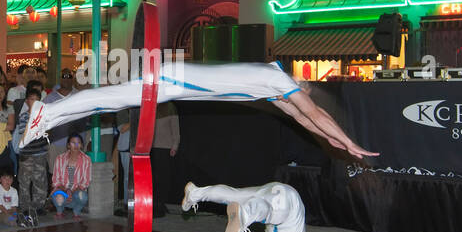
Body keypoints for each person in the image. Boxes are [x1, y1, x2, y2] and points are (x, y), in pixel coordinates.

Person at [20, 60, 379, 159]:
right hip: (178, 81)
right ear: (299, 84)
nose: (298, 101)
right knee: (114, 99)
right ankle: (47, 113)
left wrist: (337, 143)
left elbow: (307, 120)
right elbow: (315, 114)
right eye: (303, 93)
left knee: (112, 99)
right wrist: (348, 142)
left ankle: (48, 118)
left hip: (179, 82)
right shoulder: (280, 81)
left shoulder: (273, 90)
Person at [14, 87, 49, 228]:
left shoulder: (44, 116)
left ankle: (38, 205)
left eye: (37, 100)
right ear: (27, 101)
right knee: (24, 180)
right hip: (26, 154)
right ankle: (25, 206)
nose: (34, 103)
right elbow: (24, 133)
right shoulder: (23, 116)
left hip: (40, 152)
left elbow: (45, 133)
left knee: (40, 179)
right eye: (31, 100)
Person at [50, 134, 92, 218]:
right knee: (58, 197)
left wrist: (72, 191)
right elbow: (56, 181)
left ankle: (76, 211)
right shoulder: (60, 158)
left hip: (76, 191)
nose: (76, 145)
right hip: (63, 190)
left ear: (82, 145)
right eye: (73, 143)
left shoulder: (86, 159)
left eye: (78, 143)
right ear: (68, 145)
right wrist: (66, 190)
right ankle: (60, 211)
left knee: (83, 197)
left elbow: (86, 181)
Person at [151, 101, 179, 218]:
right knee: (154, 178)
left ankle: (160, 205)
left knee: (163, 178)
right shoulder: (152, 105)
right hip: (151, 148)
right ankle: (154, 205)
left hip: (165, 148)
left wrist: (175, 145)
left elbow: (175, 128)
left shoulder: (170, 107)